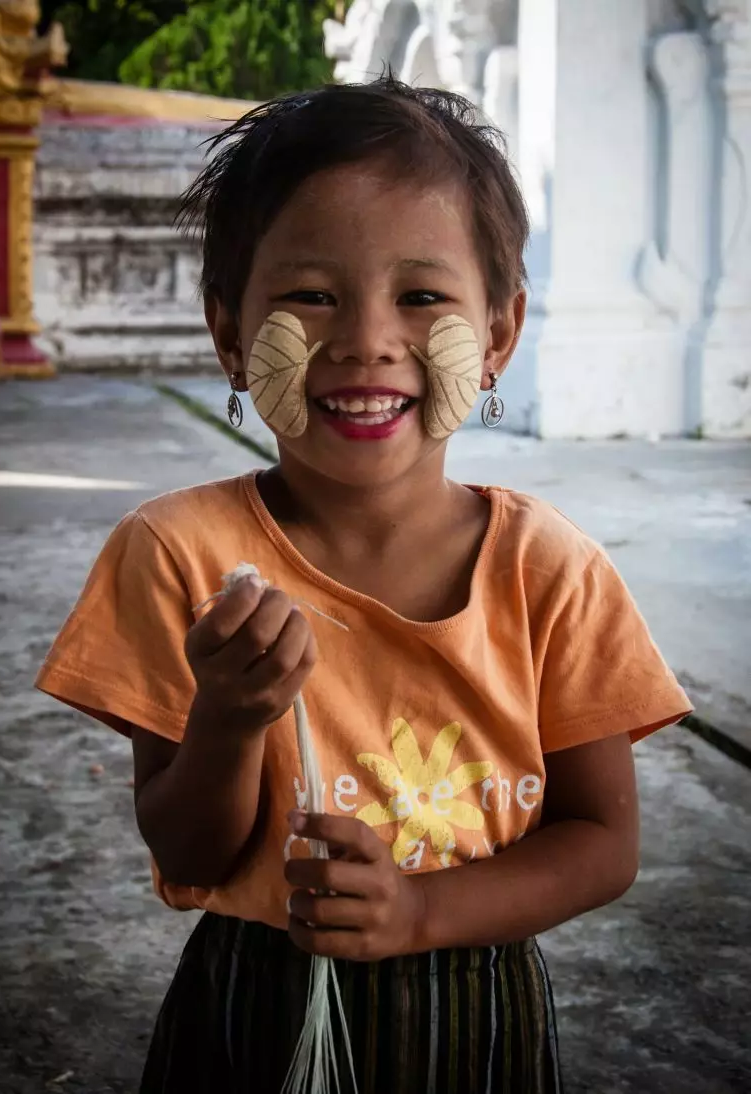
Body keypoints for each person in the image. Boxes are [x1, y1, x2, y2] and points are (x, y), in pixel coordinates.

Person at [36, 75, 692, 1094]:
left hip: (479, 1010)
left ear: (500, 337)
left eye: (423, 296)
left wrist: (424, 913)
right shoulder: (179, 552)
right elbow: (190, 848)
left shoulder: (550, 569)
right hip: (255, 1004)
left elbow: (602, 842)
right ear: (228, 333)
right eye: (310, 294)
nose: (366, 340)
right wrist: (228, 716)